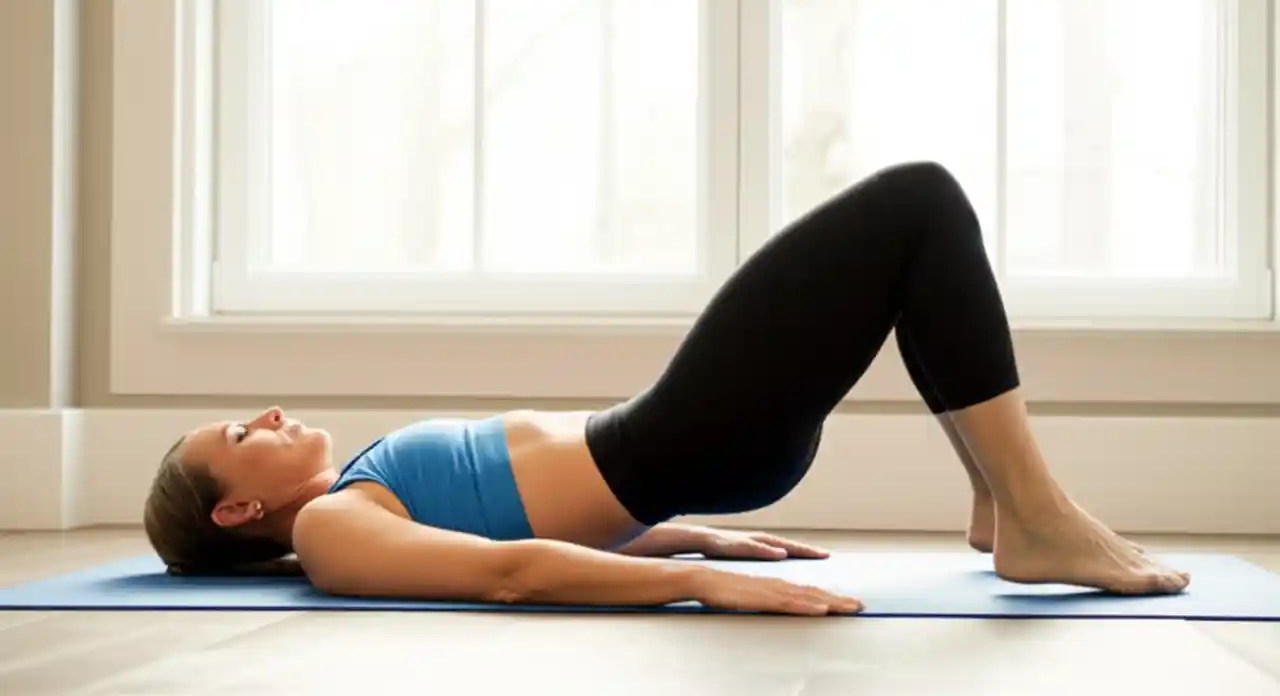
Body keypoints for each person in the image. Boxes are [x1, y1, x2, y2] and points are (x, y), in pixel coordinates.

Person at [143, 161, 1190, 617]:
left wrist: (685, 539)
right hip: (675, 442)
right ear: (238, 508)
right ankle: (1035, 515)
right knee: (914, 203)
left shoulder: (360, 496)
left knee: (912, 233)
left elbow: (509, 518)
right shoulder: (331, 531)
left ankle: (1003, 503)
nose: (270, 414)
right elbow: (509, 572)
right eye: (243, 431)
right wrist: (691, 583)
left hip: (672, 451)